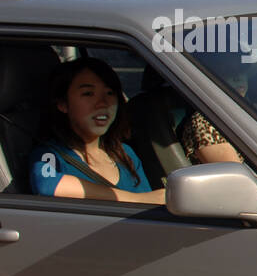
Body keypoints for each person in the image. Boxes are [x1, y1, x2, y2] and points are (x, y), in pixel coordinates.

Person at [29, 58, 166, 204]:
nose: (102, 103)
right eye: (88, 93)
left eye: (110, 93)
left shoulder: (125, 153)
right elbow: (48, 186)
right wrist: (137, 199)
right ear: (63, 104)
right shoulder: (49, 155)